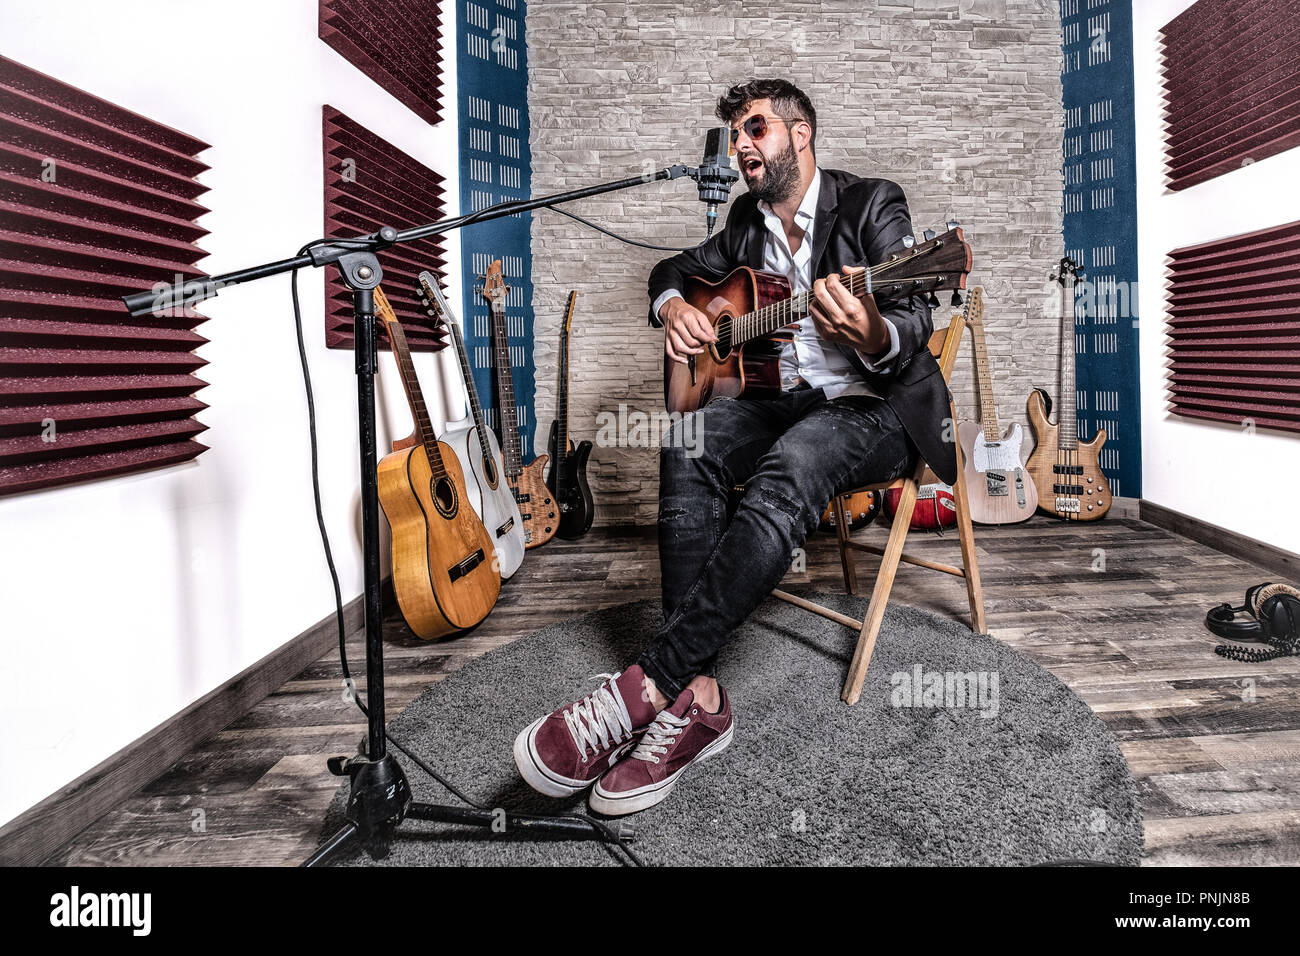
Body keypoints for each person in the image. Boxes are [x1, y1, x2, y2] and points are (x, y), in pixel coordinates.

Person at [514, 78, 957, 816]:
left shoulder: (874, 202)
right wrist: (677, 307)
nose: (742, 147)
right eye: (736, 136)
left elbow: (909, 319)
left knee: (793, 466)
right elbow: (669, 270)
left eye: (756, 130)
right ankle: (699, 701)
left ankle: (651, 686)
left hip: (874, 409)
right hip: (782, 402)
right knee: (687, 434)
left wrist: (873, 332)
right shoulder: (747, 219)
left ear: (801, 133)